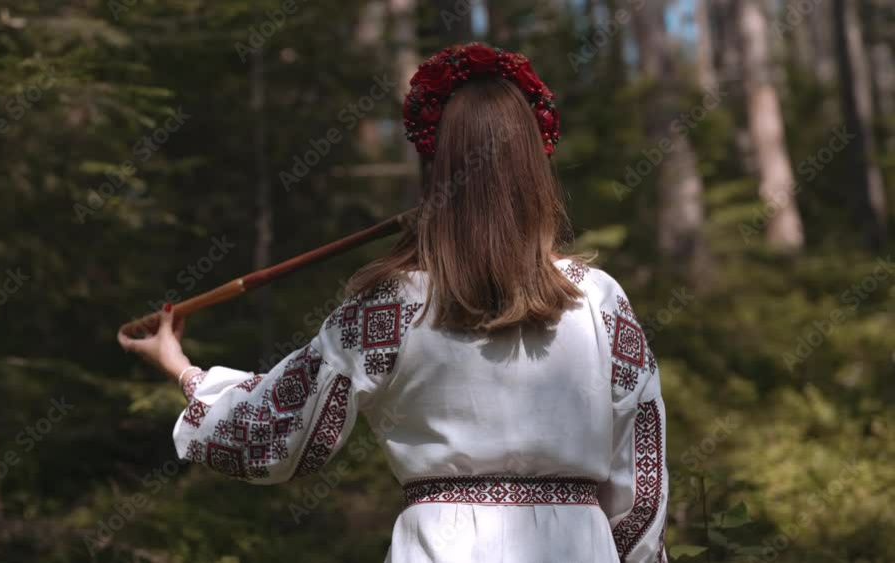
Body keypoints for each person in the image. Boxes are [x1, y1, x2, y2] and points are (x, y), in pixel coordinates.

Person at [119, 43, 668, 563]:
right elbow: (641, 488)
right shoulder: (599, 301)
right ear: (535, 170)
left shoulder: (393, 305)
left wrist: (183, 369)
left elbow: (278, 429)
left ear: (435, 172)